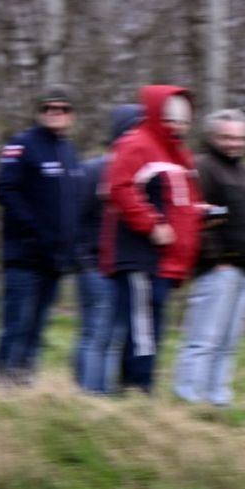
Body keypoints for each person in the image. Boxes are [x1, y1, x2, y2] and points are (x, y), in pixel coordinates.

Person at [101, 85, 203, 394]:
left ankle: (137, 391)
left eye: (184, 120)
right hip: (139, 257)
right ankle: (137, 392)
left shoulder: (180, 156)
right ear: (158, 114)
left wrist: (204, 214)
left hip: (166, 262)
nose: (179, 126)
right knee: (142, 331)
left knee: (154, 330)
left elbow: (184, 202)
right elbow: (119, 187)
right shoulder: (137, 144)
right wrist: (152, 224)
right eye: (172, 119)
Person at [174, 109, 245, 406]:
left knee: (229, 342)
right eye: (227, 137)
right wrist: (216, 259)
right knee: (203, 339)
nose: (234, 143)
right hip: (219, 271)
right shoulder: (202, 168)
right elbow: (196, 218)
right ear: (212, 136)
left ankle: (218, 398)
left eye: (240, 138)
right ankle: (188, 397)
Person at [0, 86, 81, 385]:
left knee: (38, 326)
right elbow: (5, 190)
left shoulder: (69, 151)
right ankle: (3, 384)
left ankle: (25, 380)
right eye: (49, 109)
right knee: (16, 323)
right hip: (24, 256)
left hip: (54, 260)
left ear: (72, 115)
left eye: (62, 109)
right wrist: (33, 230)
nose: (55, 114)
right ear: (40, 113)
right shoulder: (22, 145)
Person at [71, 104, 143, 393]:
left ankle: (96, 396)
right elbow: (73, 219)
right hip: (95, 268)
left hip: (120, 269)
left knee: (110, 336)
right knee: (97, 336)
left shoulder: (140, 177)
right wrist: (84, 261)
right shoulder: (93, 171)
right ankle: (91, 399)